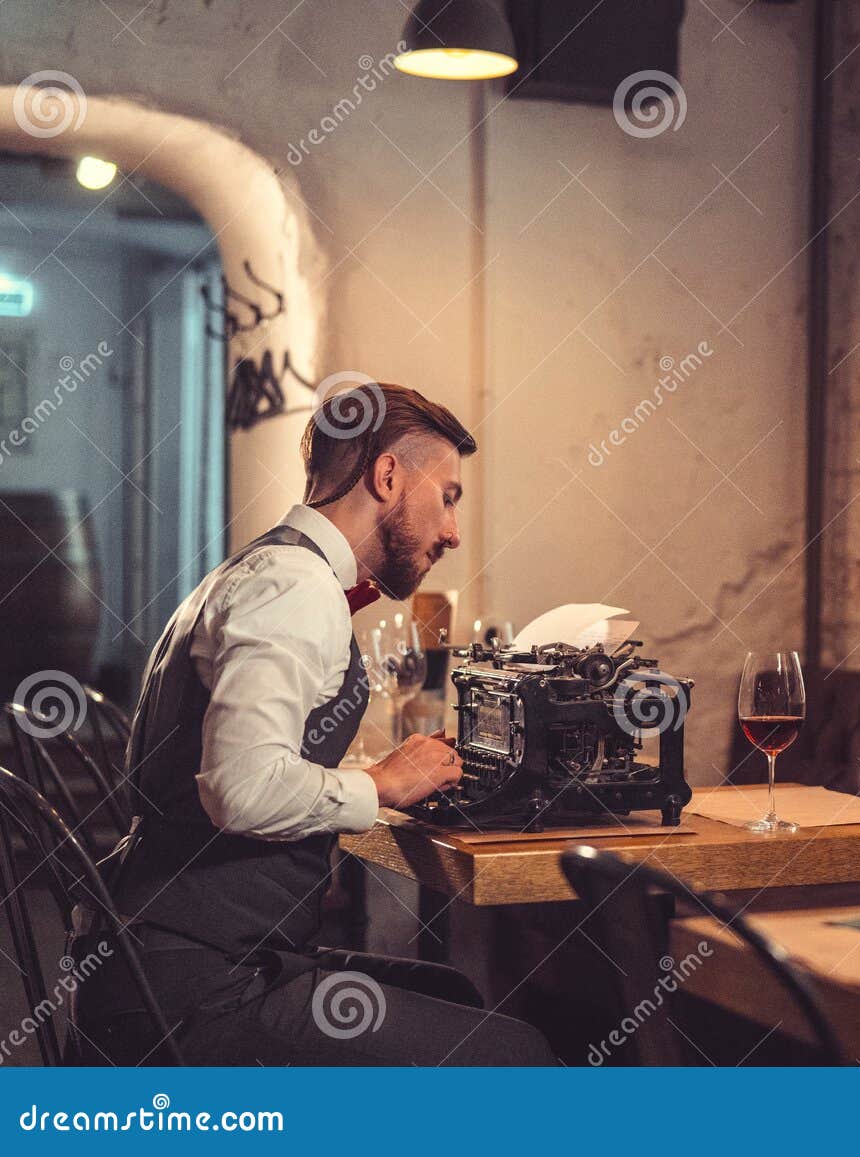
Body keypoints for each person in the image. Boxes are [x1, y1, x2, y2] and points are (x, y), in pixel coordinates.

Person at [70, 383, 554, 1065]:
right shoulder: (294, 586)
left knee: (454, 994)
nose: (452, 531)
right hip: (185, 996)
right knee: (518, 1053)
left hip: (169, 960)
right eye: (447, 495)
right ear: (388, 475)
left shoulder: (262, 568)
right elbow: (238, 786)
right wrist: (379, 783)